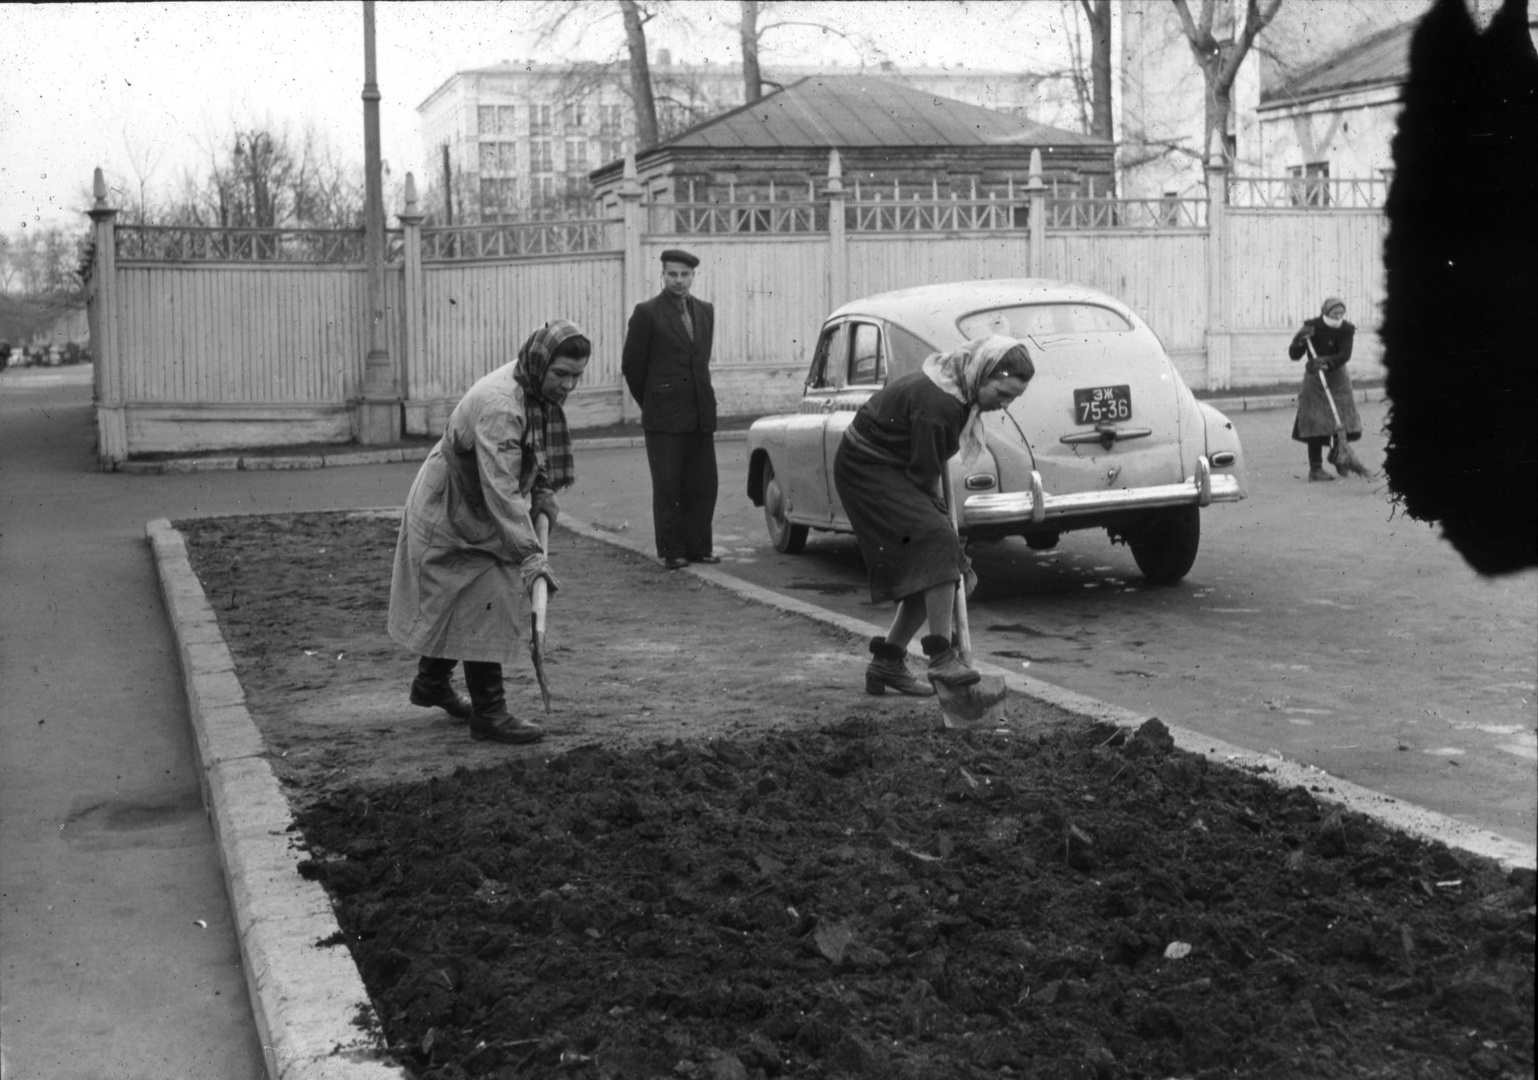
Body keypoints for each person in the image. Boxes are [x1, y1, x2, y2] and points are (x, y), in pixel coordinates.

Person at [387, 320, 590, 744]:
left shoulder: (532, 387)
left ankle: (431, 683)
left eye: (577, 376)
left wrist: (542, 487)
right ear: (540, 364)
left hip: (475, 499)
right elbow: (500, 487)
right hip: (452, 503)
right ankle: (490, 713)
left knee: (458, 597)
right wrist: (531, 554)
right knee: (487, 596)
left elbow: (528, 451)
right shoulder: (502, 405)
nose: (568, 385)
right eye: (561, 375)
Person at [833, 336, 1034, 695]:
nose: (1002, 405)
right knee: (939, 545)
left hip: (891, 465)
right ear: (983, 374)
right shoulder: (942, 402)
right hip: (867, 467)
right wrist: (940, 517)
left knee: (931, 566)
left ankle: (887, 661)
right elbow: (924, 474)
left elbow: (928, 461)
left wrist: (939, 513)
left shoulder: (958, 386)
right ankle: (942, 659)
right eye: (1001, 394)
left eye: (1012, 400)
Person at [622, 248, 719, 570]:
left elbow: (699, 363)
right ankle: (673, 552)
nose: (679, 280)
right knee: (669, 487)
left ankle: (699, 548)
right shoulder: (648, 313)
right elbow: (632, 367)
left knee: (703, 485)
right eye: (672, 274)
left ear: (693, 276)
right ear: (662, 275)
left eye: (685, 274)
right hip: (664, 418)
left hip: (700, 413)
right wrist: (653, 401)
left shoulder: (705, 311)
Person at [1288, 297, 1362, 482]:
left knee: (1342, 420)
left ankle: (1340, 457)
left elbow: (1345, 354)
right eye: (1335, 313)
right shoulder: (1311, 327)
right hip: (1315, 381)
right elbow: (1294, 355)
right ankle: (1315, 469)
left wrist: (1328, 362)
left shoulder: (1346, 329)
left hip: (1338, 380)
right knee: (1315, 424)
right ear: (1326, 312)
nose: (1339, 317)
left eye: (1341, 313)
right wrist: (1298, 341)